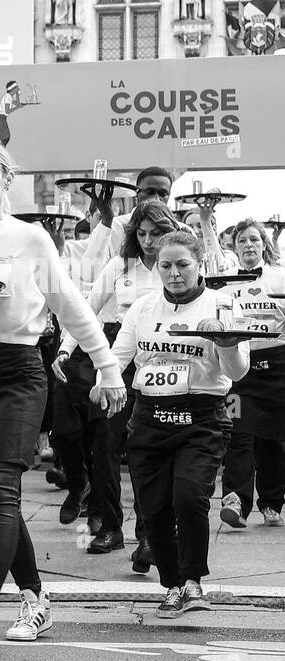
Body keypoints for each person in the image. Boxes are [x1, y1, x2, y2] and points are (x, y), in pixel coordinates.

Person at [0, 139, 125, 646]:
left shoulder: (31, 238)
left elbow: (71, 305)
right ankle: (36, 600)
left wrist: (107, 367)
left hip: (17, 373)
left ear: (6, 179)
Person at [112, 230, 248, 616]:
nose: (174, 274)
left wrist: (226, 346)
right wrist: (106, 381)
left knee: (189, 498)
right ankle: (171, 585)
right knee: (153, 508)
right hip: (150, 418)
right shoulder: (143, 308)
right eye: (166, 266)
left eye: (183, 265)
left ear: (199, 263)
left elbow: (237, 373)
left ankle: (192, 583)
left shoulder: (222, 305)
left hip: (201, 418)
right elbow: (119, 354)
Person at [53, 200, 179, 563]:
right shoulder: (120, 265)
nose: (149, 241)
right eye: (141, 234)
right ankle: (110, 526)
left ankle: (149, 535)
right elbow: (85, 309)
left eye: (156, 233)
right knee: (105, 446)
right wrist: (64, 350)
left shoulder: (176, 265)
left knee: (146, 451)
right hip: (116, 358)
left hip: (161, 361)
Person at [219, 218, 285, 529]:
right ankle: (235, 500)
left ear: (264, 246)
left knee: (272, 437)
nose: (248, 245)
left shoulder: (280, 278)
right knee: (237, 434)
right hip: (239, 370)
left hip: (277, 367)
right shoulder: (227, 281)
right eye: (242, 240)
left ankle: (272, 502)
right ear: (234, 247)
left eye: (254, 240)